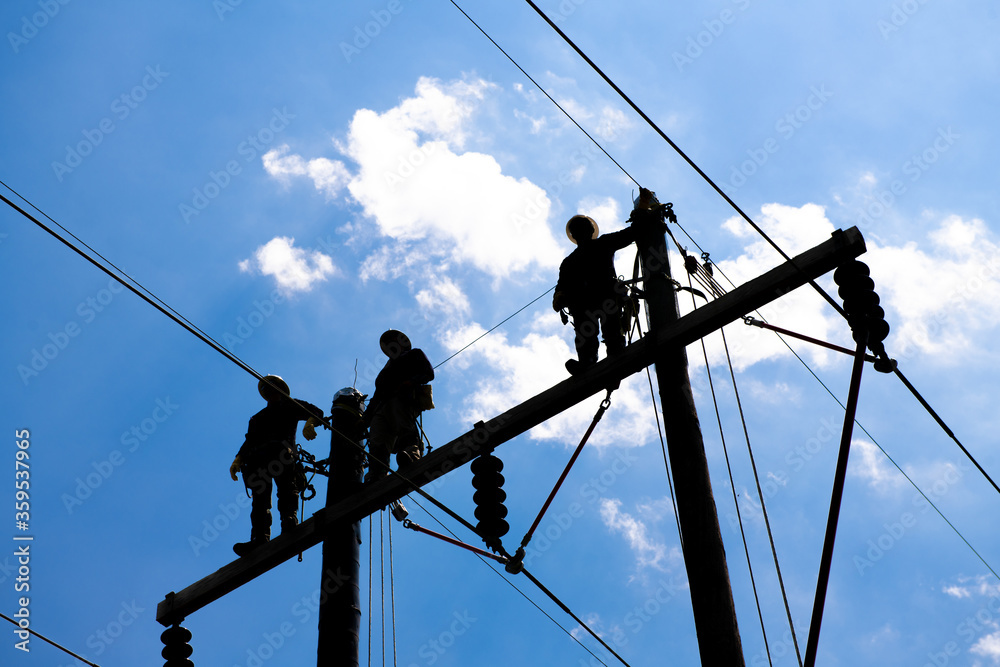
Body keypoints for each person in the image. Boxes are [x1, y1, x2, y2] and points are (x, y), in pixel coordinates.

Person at [229, 375, 323, 557]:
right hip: (258, 460)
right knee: (260, 500)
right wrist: (238, 459)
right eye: (267, 390)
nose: (269, 393)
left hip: (281, 455)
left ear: (280, 389)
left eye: (272, 388)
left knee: (286, 488)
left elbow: (315, 411)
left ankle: (289, 520)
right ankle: (259, 538)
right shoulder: (257, 419)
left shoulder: (290, 405)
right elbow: (249, 442)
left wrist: (311, 423)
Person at [552, 214, 637, 375]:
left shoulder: (602, 244)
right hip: (587, 303)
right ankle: (589, 361)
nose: (580, 232)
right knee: (589, 335)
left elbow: (631, 233)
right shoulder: (569, 262)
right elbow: (561, 287)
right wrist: (559, 297)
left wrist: (642, 212)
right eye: (577, 229)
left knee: (608, 331)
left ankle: (608, 354)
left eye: (581, 228)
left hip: (603, 298)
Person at [363, 330, 434, 483]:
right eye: (388, 343)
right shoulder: (385, 371)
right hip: (381, 406)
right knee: (377, 438)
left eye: (393, 340)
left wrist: (411, 382)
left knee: (404, 427)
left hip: (402, 398)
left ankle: (412, 455)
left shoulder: (414, 354)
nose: (391, 344)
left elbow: (428, 373)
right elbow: (377, 396)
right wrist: (364, 421)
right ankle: (377, 473)